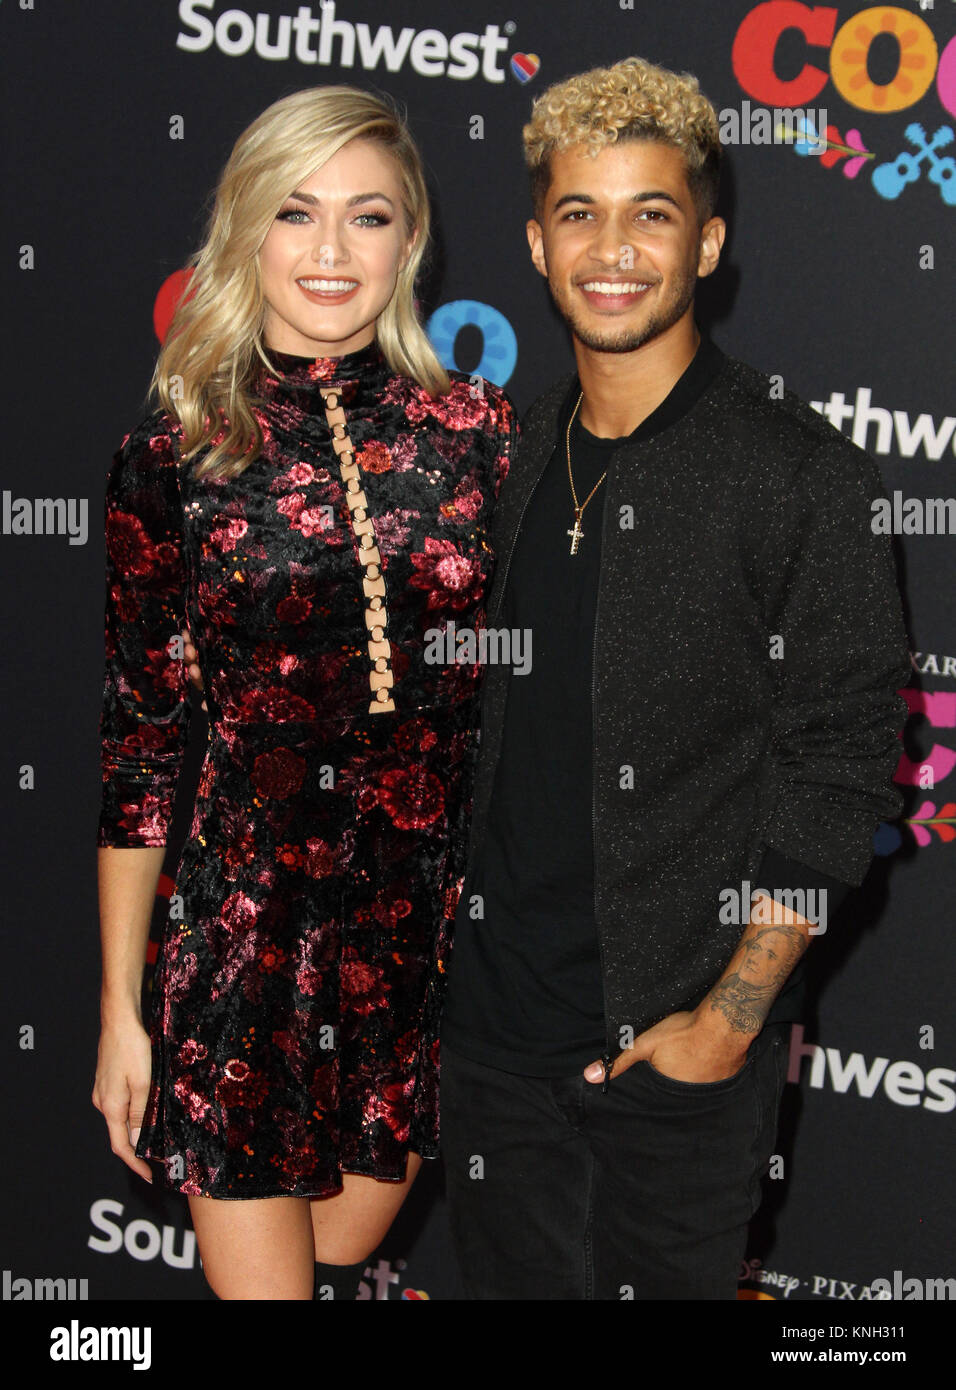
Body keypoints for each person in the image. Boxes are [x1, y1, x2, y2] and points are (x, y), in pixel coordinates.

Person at [435, 57, 911, 1299]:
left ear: (704, 244)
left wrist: (728, 1019)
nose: (612, 249)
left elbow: (841, 768)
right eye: (578, 214)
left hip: (675, 1060)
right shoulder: (507, 455)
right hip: (488, 1046)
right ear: (536, 244)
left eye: (649, 214)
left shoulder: (801, 476)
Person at [93, 84, 516, 1302]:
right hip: (241, 950)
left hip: (417, 952)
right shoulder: (175, 452)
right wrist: (122, 1012)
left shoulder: (481, 435)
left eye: (367, 216)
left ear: (410, 240)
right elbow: (137, 744)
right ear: (244, 232)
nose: (330, 251)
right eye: (295, 212)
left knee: (338, 1260)